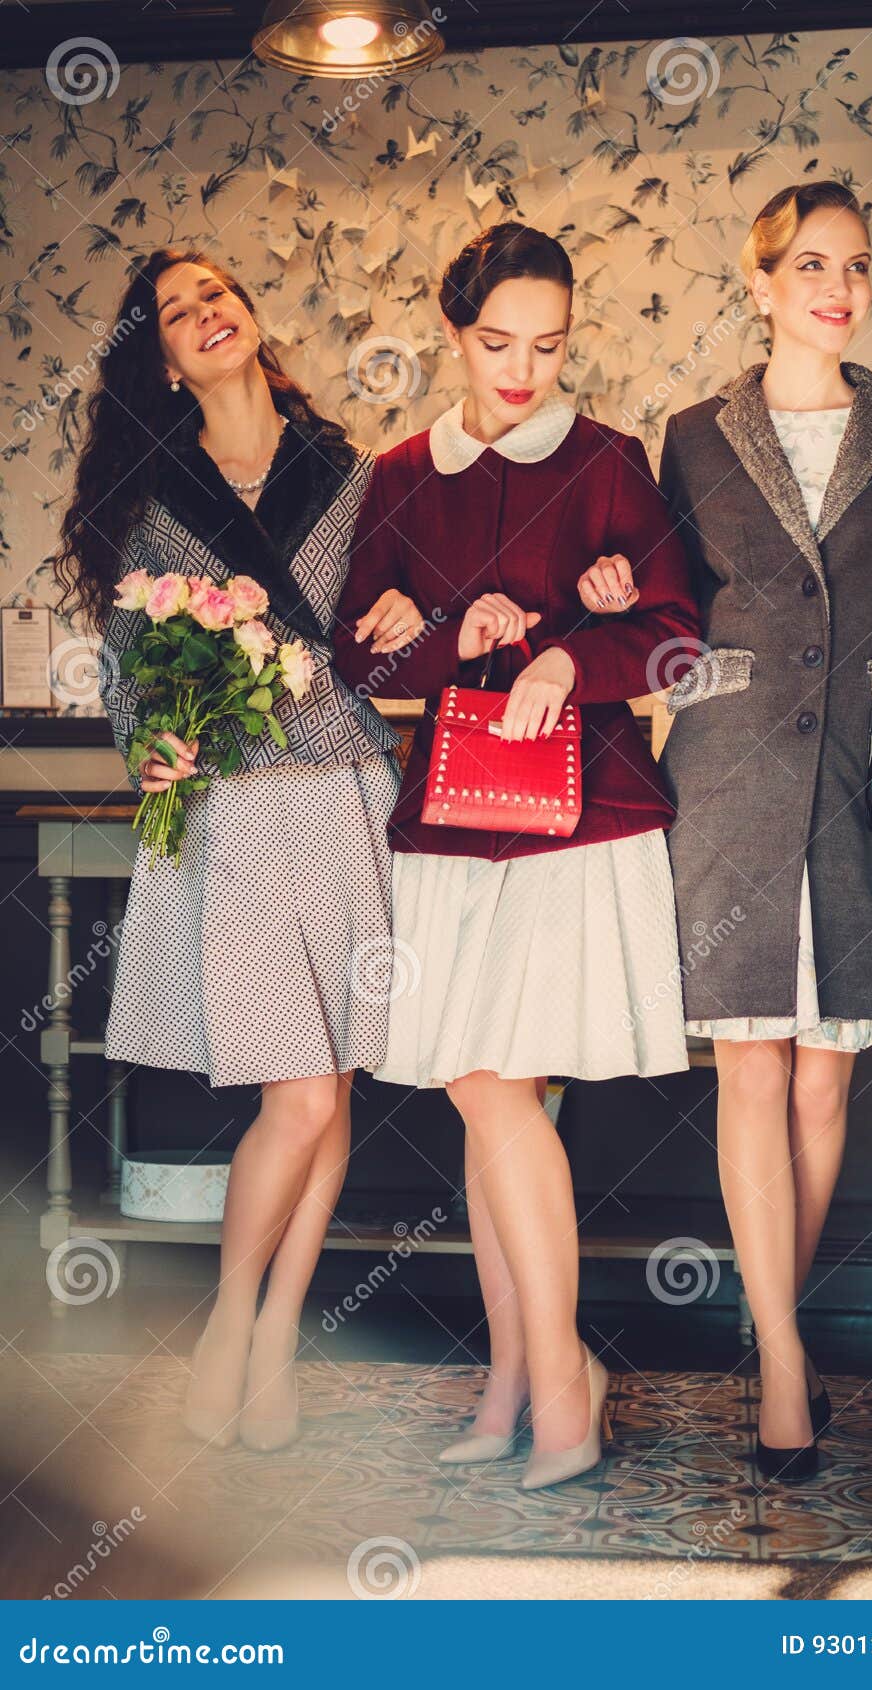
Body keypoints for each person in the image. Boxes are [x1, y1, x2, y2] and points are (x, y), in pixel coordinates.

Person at [332, 222, 701, 1490]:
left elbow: (675, 638)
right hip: (448, 822)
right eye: (496, 343)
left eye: (546, 347)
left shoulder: (608, 461)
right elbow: (353, 657)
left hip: (579, 820)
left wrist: (560, 656)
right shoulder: (396, 473)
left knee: (498, 1095)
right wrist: (451, 636)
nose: (520, 370)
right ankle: (526, 1380)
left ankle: (555, 1391)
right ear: (455, 332)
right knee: (486, 1099)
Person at [55, 249, 422, 1454]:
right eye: (176, 311)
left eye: (216, 293)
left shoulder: (354, 473)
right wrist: (148, 746)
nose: (204, 312)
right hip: (238, 810)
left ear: (249, 317)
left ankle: (271, 1343)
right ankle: (229, 1327)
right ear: (163, 362)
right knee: (299, 1091)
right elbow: (127, 676)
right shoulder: (155, 504)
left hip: (352, 792)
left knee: (331, 1083)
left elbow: (396, 628)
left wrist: (408, 620)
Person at [653, 181, 872, 1481]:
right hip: (727, 784)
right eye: (812, 265)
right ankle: (783, 1361)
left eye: (855, 267)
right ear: (762, 283)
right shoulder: (690, 440)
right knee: (750, 1071)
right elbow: (664, 624)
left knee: (821, 1079)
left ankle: (764, 1316)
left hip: (857, 787)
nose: (839, 289)